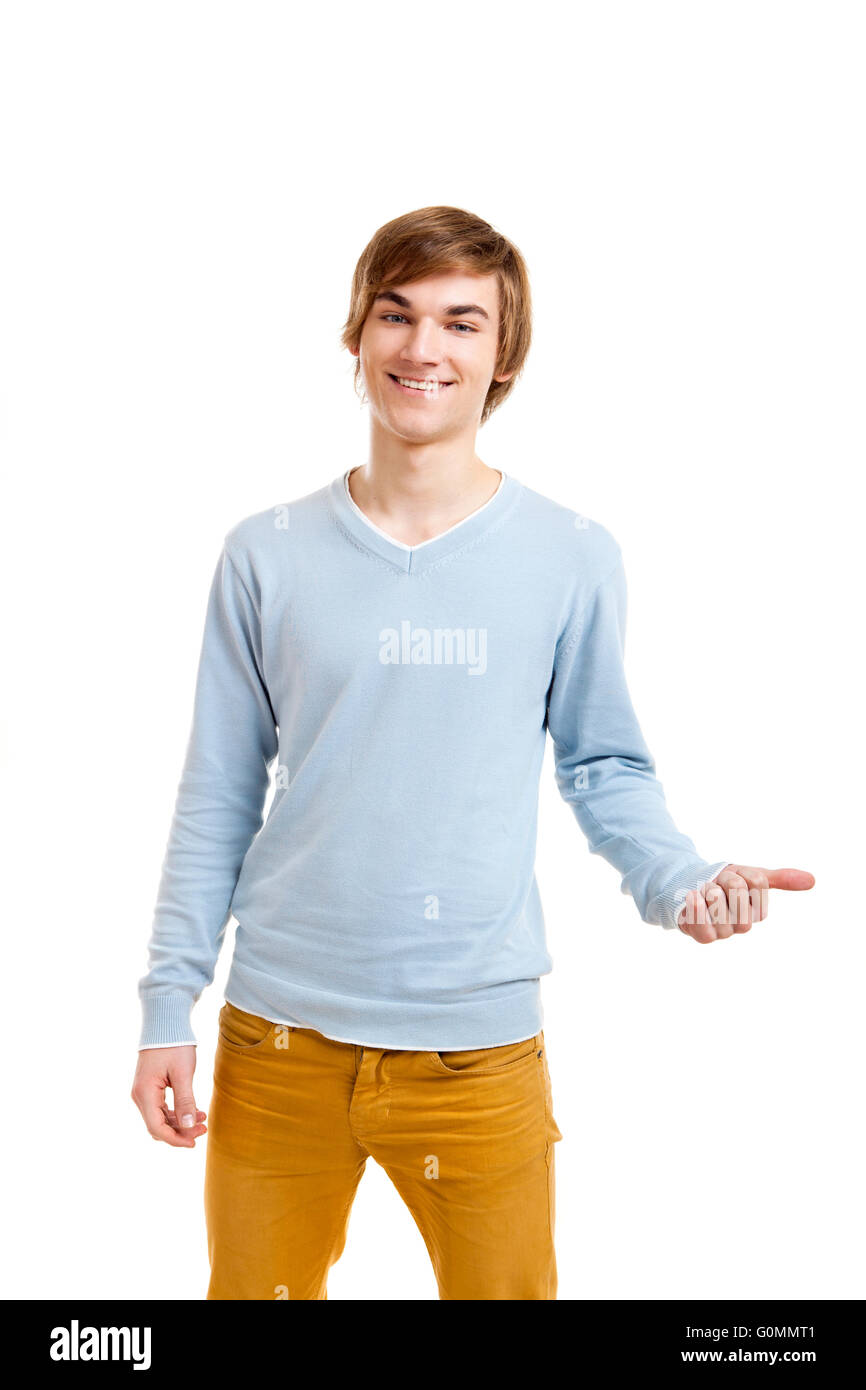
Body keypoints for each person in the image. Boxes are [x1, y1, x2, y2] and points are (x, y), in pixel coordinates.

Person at [131, 205, 815, 1300]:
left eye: (459, 322)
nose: (421, 348)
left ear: (501, 356)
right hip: (276, 1044)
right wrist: (170, 1003)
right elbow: (217, 790)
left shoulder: (569, 556)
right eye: (395, 315)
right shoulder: (264, 553)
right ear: (356, 334)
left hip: (476, 1053)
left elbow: (602, 764)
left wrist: (675, 880)